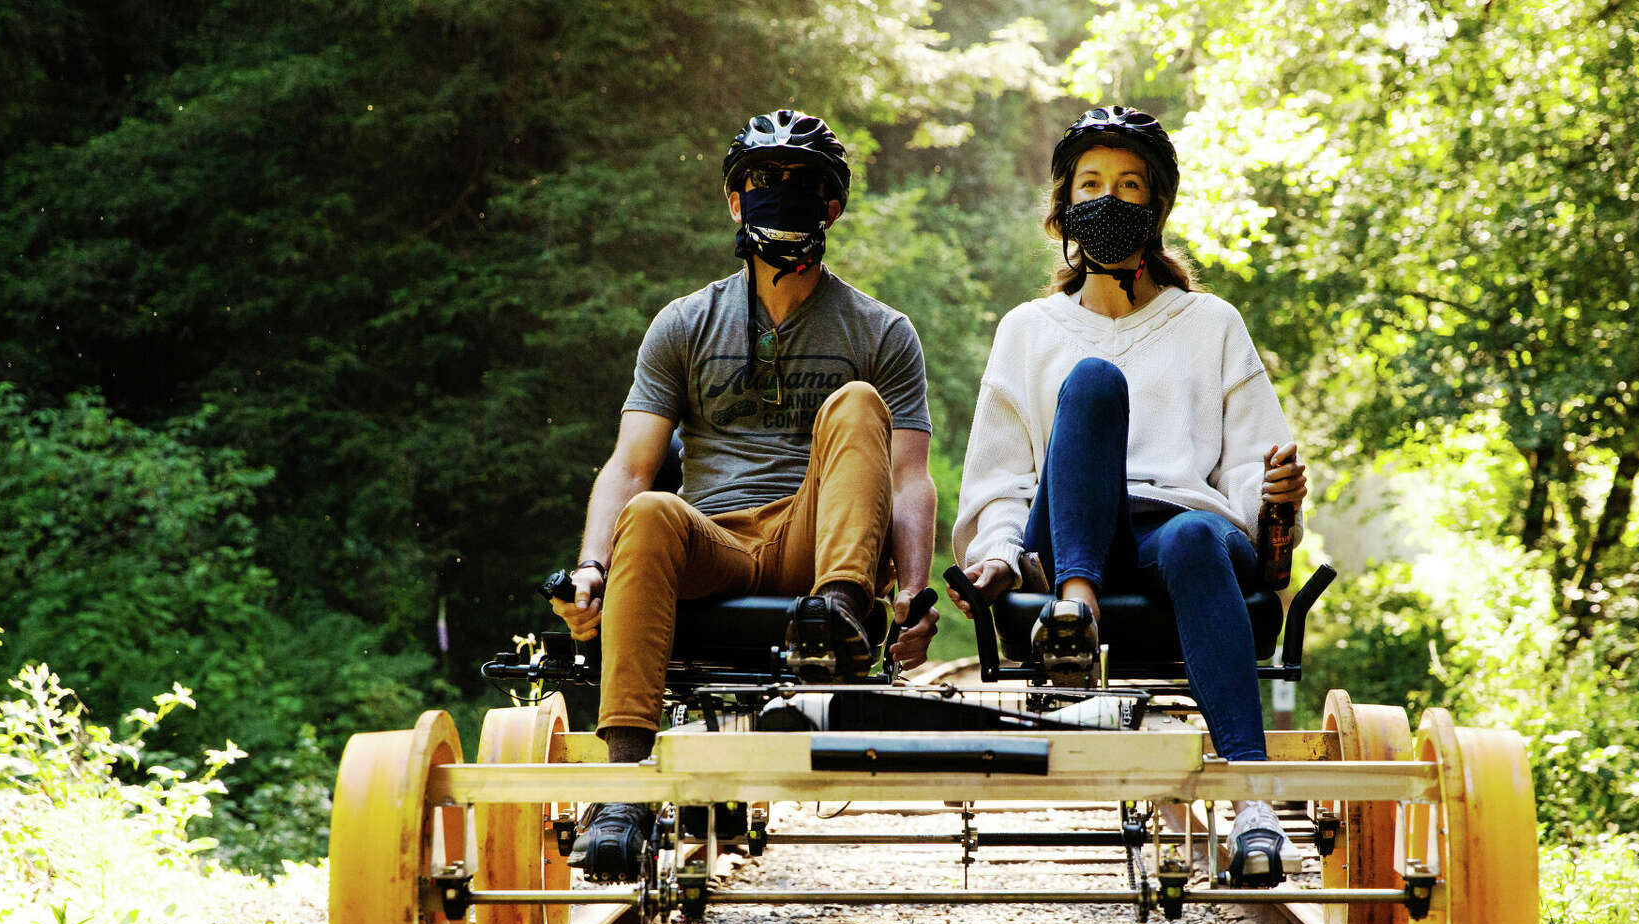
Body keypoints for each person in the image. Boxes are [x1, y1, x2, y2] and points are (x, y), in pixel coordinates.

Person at [550, 108, 940, 881]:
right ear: (736, 200)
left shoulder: (882, 330)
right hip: (713, 541)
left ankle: (837, 617)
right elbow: (630, 465)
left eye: (801, 184)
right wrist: (591, 567)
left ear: (831, 206)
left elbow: (908, 478)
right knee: (652, 509)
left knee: (859, 401)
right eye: (763, 182)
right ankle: (627, 787)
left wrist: (916, 594)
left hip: (817, 547)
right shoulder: (683, 323)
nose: (780, 195)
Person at [948, 105, 1309, 882]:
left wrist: (1274, 495)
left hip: (1180, 535)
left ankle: (1252, 803)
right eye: (1093, 184)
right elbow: (1003, 478)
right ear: (1064, 209)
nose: (1110, 200)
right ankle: (1076, 606)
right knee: (1093, 382)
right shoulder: (1028, 329)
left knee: (1192, 536)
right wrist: (999, 555)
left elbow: (1249, 466)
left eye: (1130, 186)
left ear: (1157, 208)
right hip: (1073, 535)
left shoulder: (1211, 323)